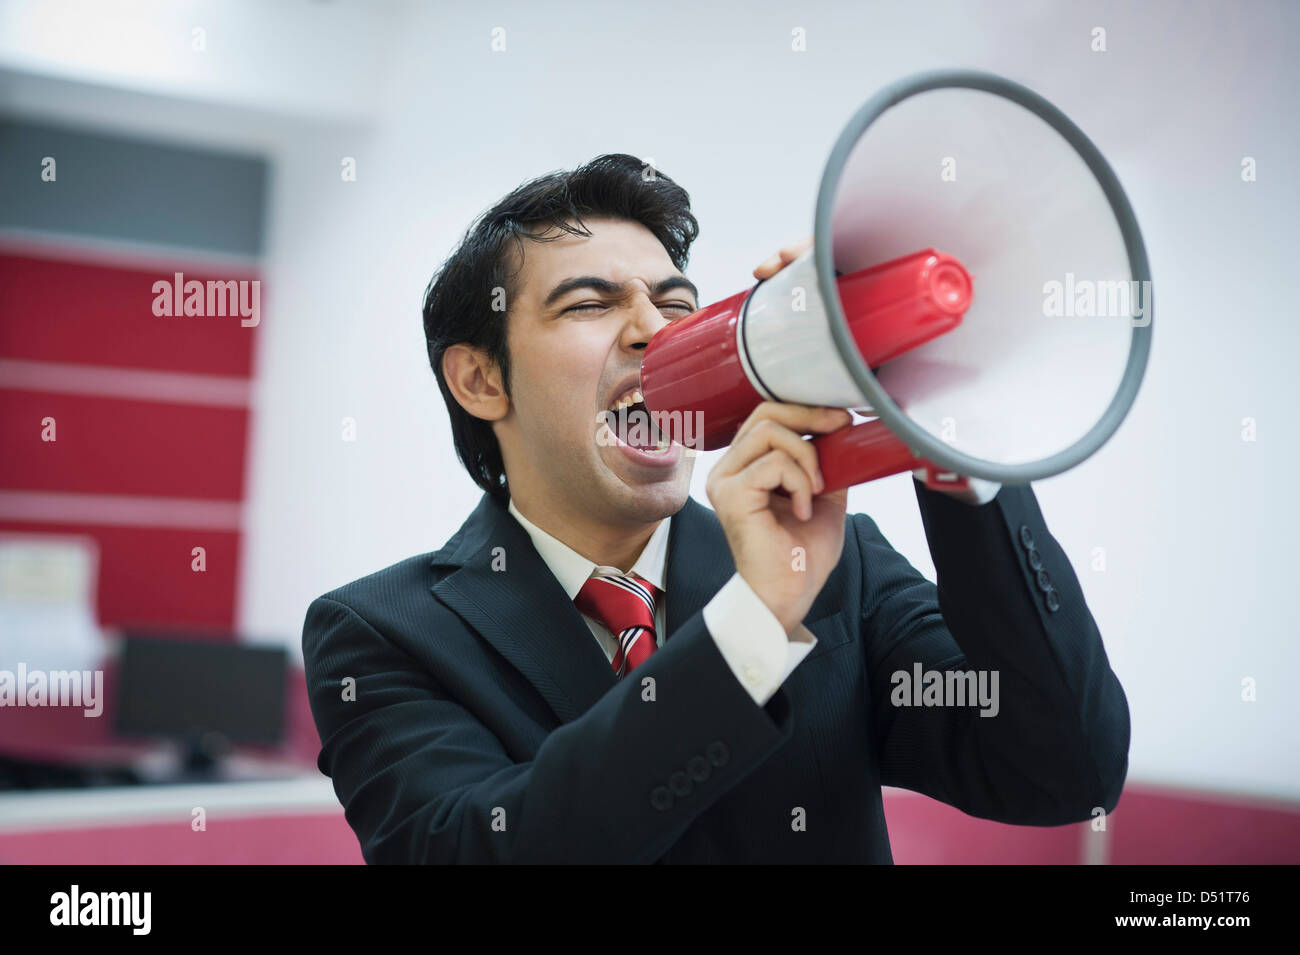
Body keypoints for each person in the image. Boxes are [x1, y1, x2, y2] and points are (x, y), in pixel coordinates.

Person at [301, 153, 1129, 864]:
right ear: (480, 378)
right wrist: (755, 624)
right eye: (590, 304)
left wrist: (964, 446)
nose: (652, 333)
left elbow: (1064, 768)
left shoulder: (841, 568)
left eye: (675, 303)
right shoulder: (381, 633)